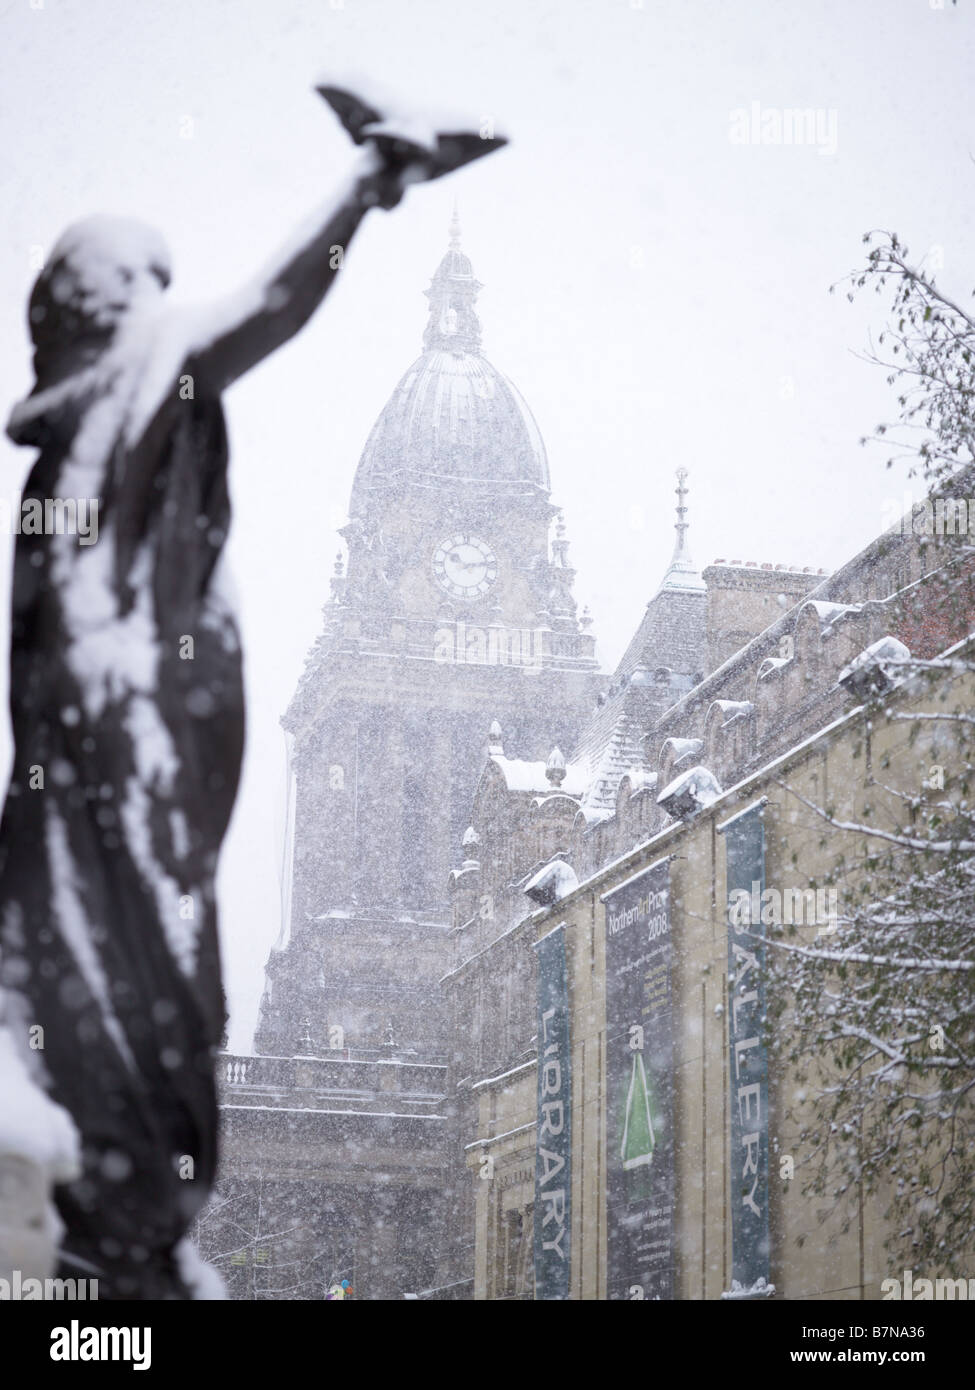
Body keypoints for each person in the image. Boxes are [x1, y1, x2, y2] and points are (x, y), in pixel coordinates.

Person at [0, 84, 503, 1298]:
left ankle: (110, 1242)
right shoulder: (114, 417)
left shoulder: (74, 452)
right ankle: (113, 1246)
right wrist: (366, 186)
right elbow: (266, 306)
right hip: (102, 773)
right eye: (144, 294)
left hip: (81, 782)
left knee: (113, 1013)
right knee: (121, 1021)